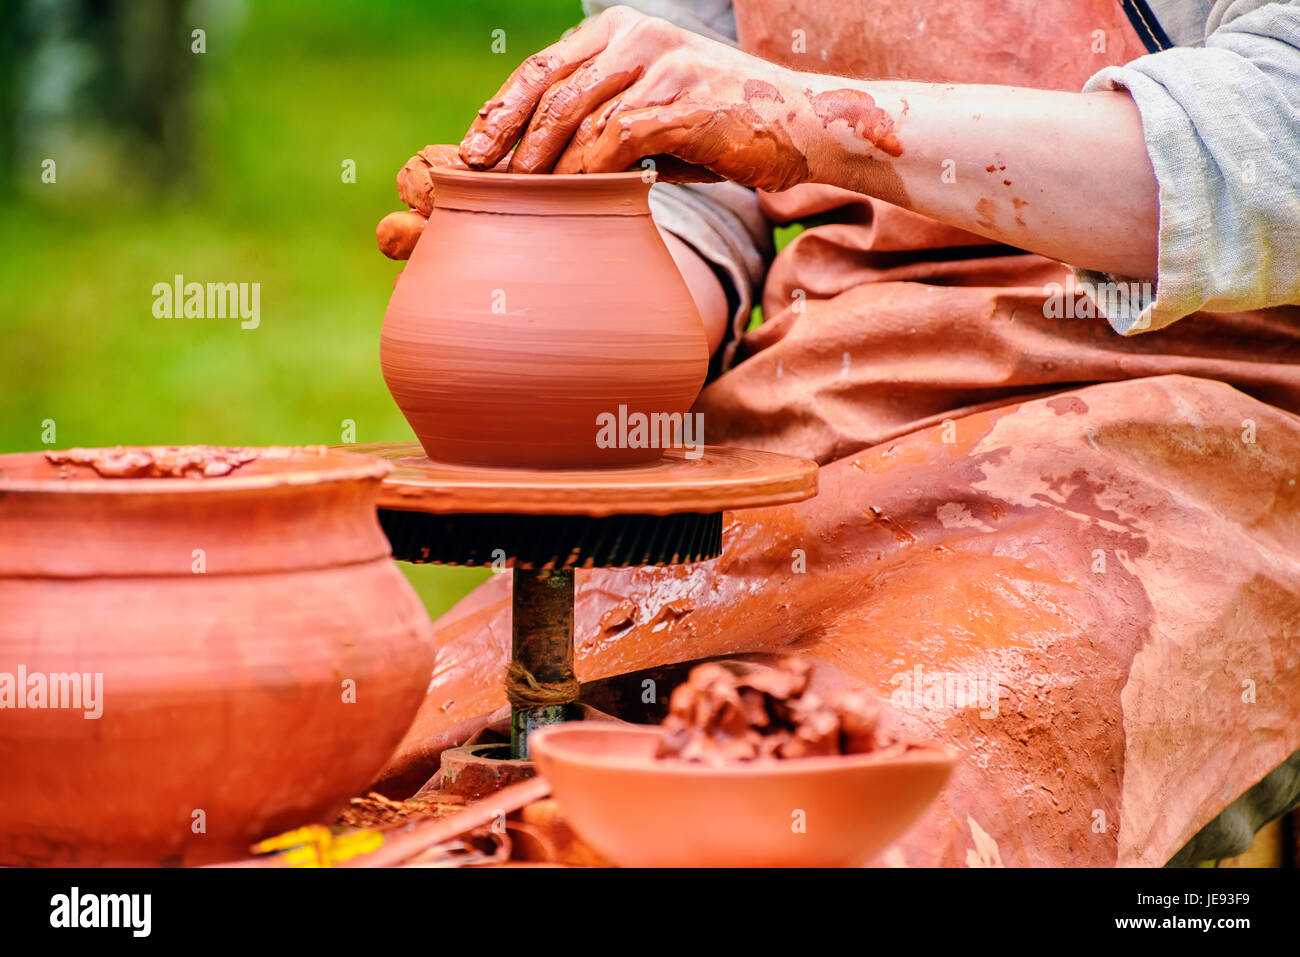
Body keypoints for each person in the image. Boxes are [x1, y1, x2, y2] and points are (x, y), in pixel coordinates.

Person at [375, 1, 1300, 866]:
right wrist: (555, 274)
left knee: (832, 813)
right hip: (821, 397)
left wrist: (819, 120)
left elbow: (1276, 144)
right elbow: (690, 184)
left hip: (1194, 403)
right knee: (382, 782)